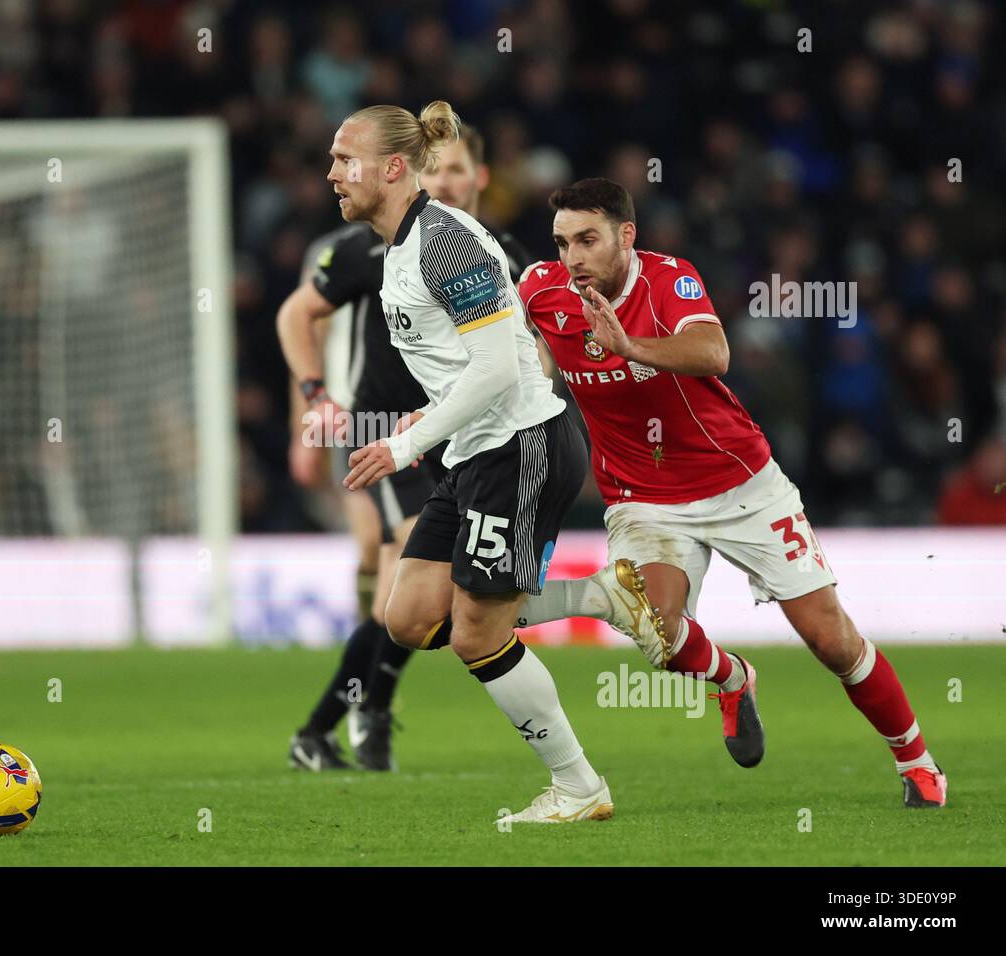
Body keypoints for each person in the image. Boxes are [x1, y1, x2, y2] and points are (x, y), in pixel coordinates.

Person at [519, 177, 946, 808]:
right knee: (659, 634)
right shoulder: (542, 290)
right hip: (641, 494)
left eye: (588, 240)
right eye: (563, 243)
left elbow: (713, 351)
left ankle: (916, 761)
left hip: (739, 482)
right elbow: (535, 359)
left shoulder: (669, 281)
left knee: (831, 640)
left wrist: (628, 345)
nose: (573, 257)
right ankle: (733, 678)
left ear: (626, 236)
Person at [338, 101, 661, 823]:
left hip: (521, 445)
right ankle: (600, 598)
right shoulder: (398, 248)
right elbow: (468, 367)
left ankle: (578, 787)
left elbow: (499, 374)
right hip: (473, 452)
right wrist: (429, 424)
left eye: (344, 159)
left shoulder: (444, 242)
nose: (332, 174)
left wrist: (404, 443)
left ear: (393, 168)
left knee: (478, 633)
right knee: (410, 618)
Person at [277, 124, 536, 772]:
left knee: (426, 599)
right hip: (384, 428)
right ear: (413, 172)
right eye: (435, 169)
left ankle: (334, 724)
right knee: (402, 575)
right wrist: (311, 402)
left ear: (479, 179)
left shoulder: (495, 255)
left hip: (468, 433)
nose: (445, 181)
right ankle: (358, 719)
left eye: (457, 171)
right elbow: (295, 314)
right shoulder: (373, 246)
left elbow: (526, 353)